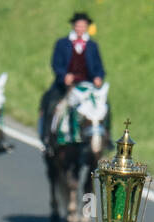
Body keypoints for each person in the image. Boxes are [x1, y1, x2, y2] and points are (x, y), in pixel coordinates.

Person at [38, 12, 105, 149]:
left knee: (103, 107)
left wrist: (98, 77)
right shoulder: (62, 43)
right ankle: (47, 137)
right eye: (78, 26)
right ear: (74, 26)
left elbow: (99, 66)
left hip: (87, 86)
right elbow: (56, 63)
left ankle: (104, 139)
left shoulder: (92, 46)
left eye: (83, 26)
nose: (80, 29)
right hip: (66, 86)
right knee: (51, 103)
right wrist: (64, 76)